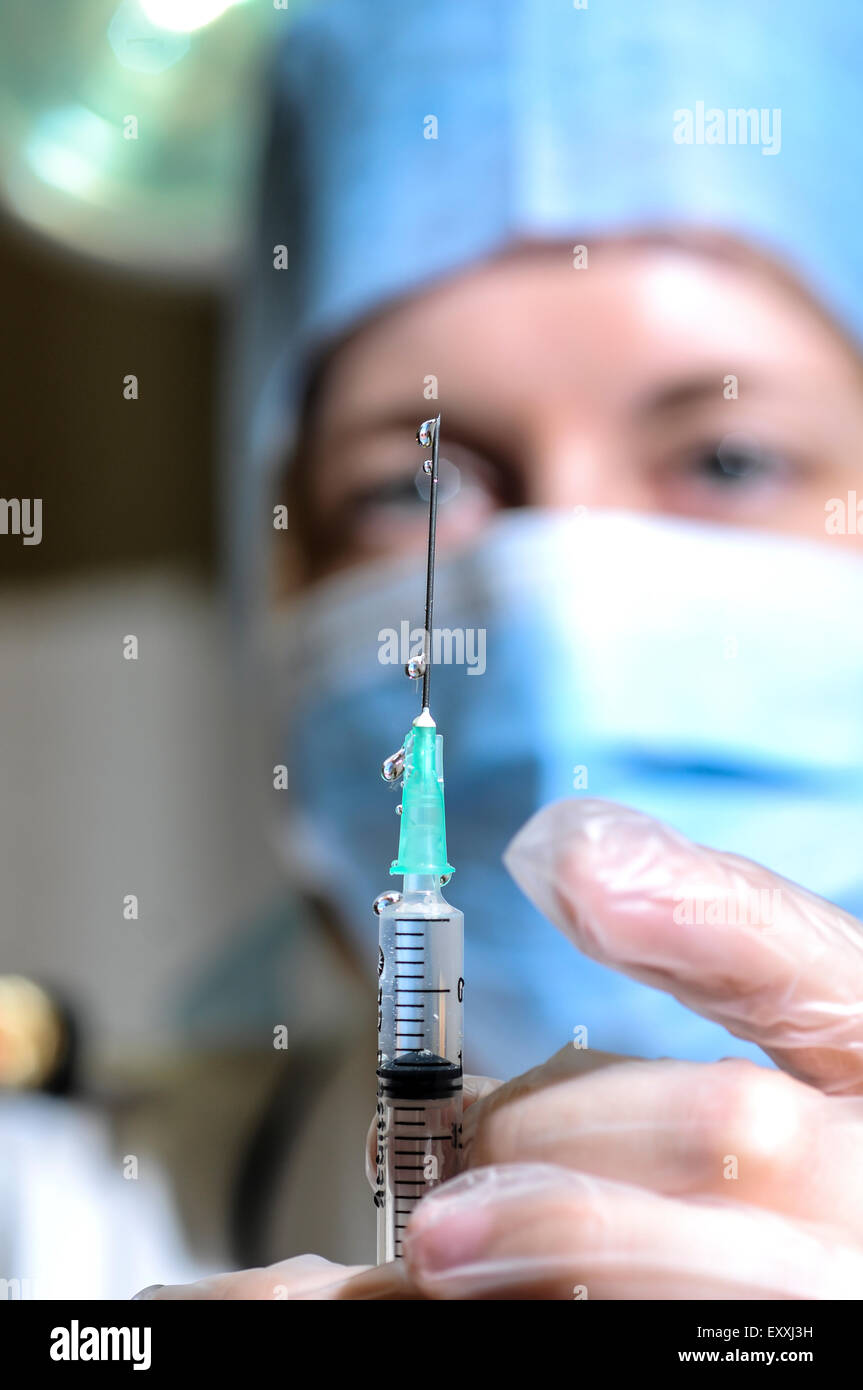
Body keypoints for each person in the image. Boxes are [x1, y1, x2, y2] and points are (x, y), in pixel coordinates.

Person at [151, 0, 863, 1290]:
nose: (561, 621)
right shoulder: (58, 1226)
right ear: (282, 564)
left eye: (728, 457)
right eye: (414, 486)